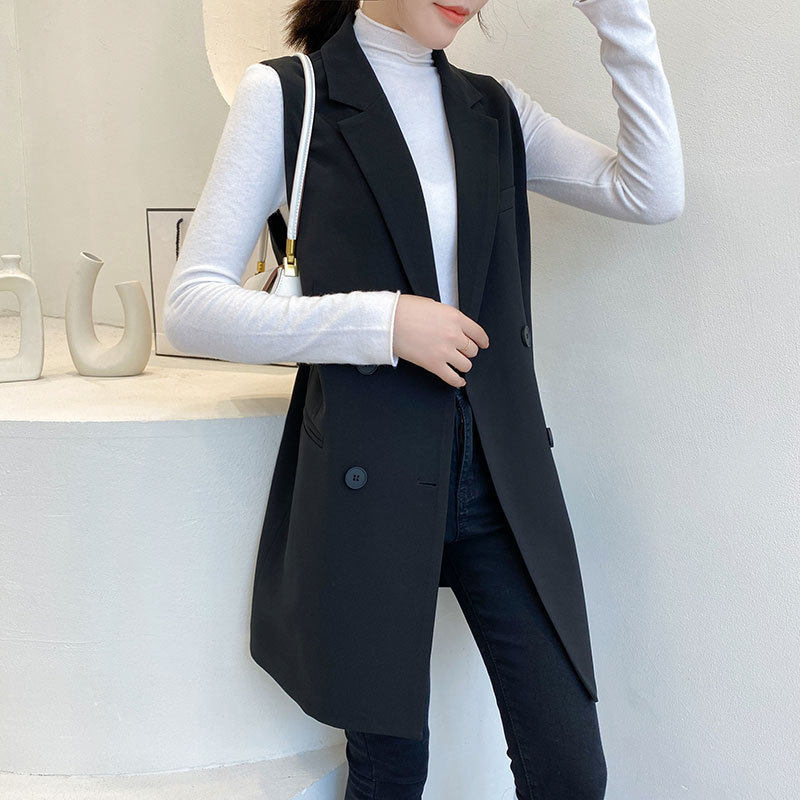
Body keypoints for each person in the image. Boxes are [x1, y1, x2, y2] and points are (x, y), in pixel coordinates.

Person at [164, 1, 683, 797]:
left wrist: (621, 18)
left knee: (570, 770)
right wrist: (383, 323)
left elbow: (652, 191)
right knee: (392, 772)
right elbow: (192, 306)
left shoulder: (496, 110)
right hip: (367, 482)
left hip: (502, 483)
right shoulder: (289, 95)